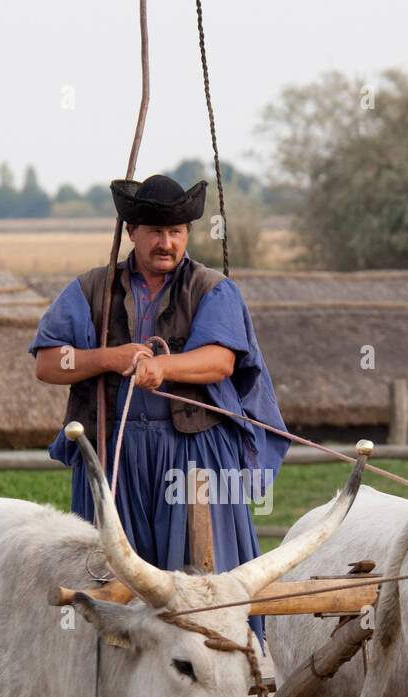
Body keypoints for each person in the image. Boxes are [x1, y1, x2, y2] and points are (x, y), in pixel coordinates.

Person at [30, 173, 289, 593]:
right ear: (131, 231)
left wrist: (163, 369)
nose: (165, 243)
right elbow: (48, 363)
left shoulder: (212, 290)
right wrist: (109, 358)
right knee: (115, 584)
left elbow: (220, 361)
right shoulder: (91, 289)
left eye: (176, 231)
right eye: (154, 232)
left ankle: (216, 657)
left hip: (194, 454)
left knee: (204, 586)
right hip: (113, 452)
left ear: (187, 234)